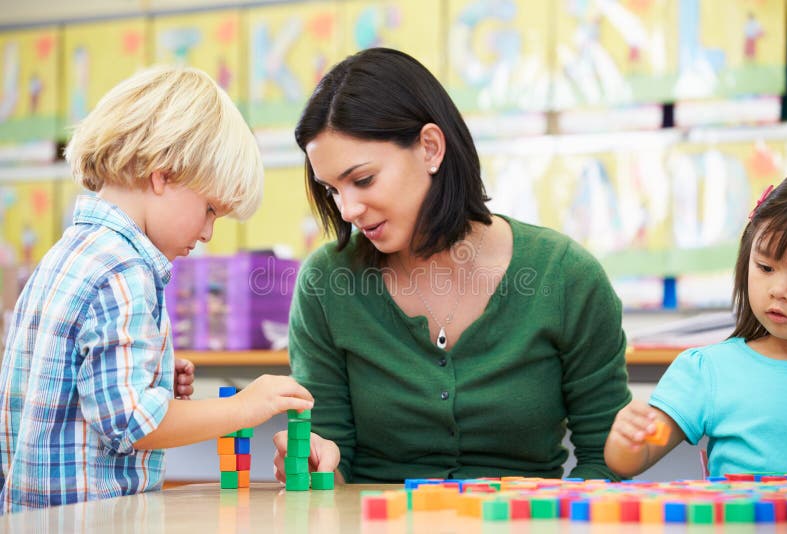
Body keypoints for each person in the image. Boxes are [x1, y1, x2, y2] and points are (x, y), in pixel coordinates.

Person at [272, 48, 631, 484]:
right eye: (332, 190)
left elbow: (606, 458)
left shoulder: (566, 275)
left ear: (430, 148)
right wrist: (314, 464)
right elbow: (332, 456)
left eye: (363, 180)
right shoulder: (327, 282)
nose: (347, 210)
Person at [0, 65, 314, 513]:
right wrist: (245, 406)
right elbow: (130, 422)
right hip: (88, 520)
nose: (208, 232)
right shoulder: (123, 270)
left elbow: (81, 389)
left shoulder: (69, 253)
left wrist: (153, 376)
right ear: (162, 174)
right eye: (209, 210)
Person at [604, 174, 787, 478]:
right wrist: (626, 440)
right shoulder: (709, 370)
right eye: (765, 267)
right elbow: (629, 461)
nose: (779, 291)